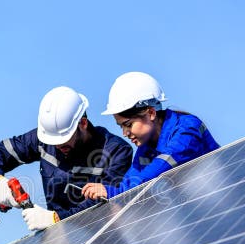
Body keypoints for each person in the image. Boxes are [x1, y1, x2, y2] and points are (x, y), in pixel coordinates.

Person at [0, 86, 133, 231]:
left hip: (104, 238)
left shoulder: (116, 151)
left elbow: (106, 200)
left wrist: (56, 218)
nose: (57, 145)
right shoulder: (45, 139)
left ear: (83, 124)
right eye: (53, 141)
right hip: (60, 240)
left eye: (63, 139)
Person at [81, 72, 220, 200]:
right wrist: (114, 197)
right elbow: (132, 180)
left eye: (128, 125)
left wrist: (113, 193)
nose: (125, 133)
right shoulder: (146, 150)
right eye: (121, 126)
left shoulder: (187, 129)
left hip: (223, 199)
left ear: (151, 113)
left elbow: (157, 169)